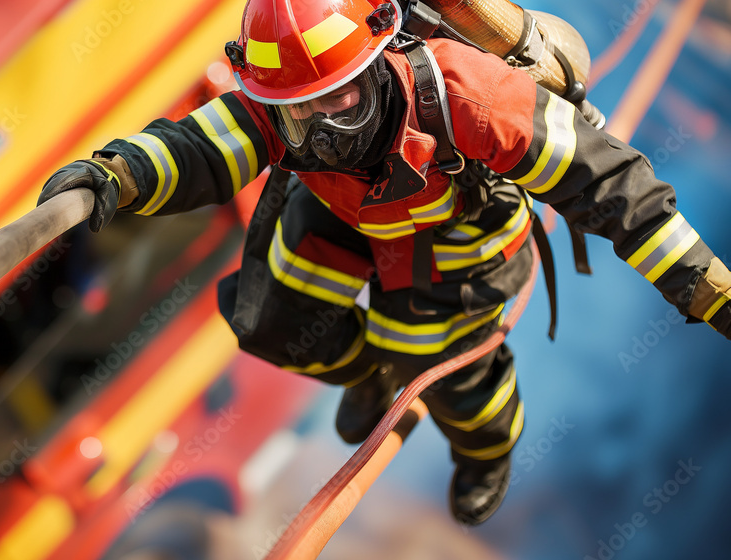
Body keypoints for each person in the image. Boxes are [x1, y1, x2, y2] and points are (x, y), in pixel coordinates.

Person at [37, 0, 731, 525]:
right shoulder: (283, 110)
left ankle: (485, 453)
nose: (319, 128)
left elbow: (613, 188)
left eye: (336, 101)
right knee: (269, 319)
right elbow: (198, 145)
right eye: (297, 112)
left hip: (458, 244)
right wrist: (115, 176)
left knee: (444, 375)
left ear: (378, 61)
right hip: (344, 218)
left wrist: (705, 287)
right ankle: (365, 375)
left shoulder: (469, 94)